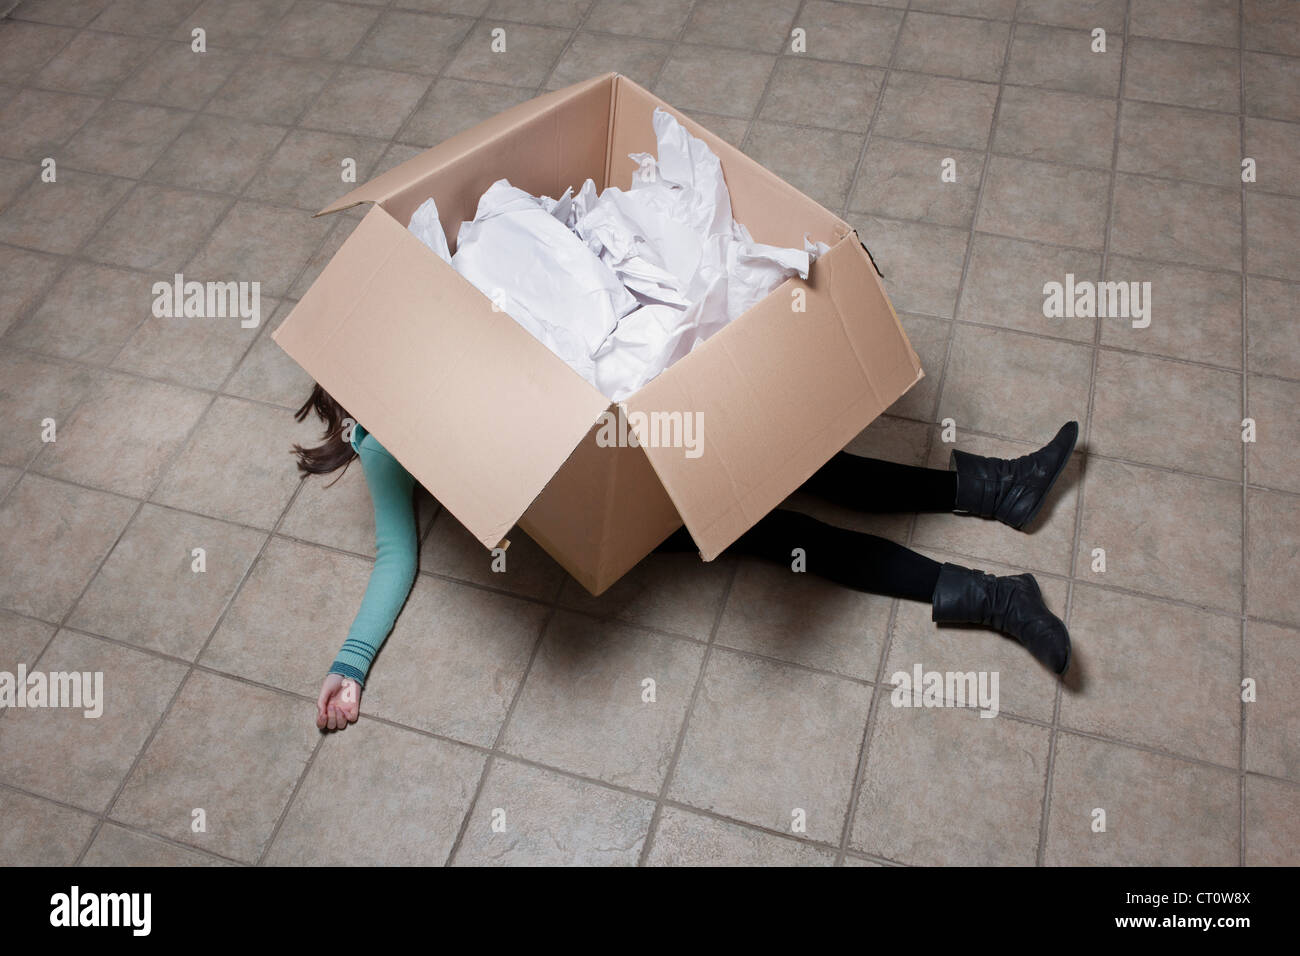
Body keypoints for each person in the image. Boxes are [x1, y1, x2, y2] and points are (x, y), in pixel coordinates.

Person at [292, 384, 1078, 732]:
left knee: (800, 459)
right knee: (776, 530)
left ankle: (997, 489)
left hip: (620, 427)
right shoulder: (382, 439)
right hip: (590, 513)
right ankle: (998, 600)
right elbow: (396, 553)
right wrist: (351, 663)